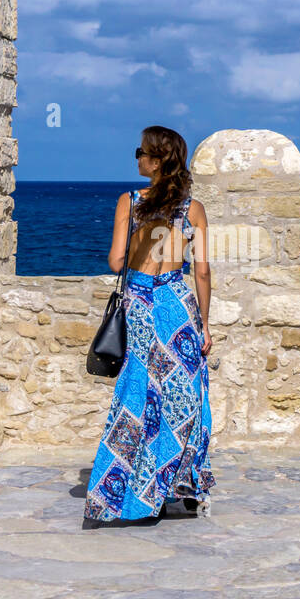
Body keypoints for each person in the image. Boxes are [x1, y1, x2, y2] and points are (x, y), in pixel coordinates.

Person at [83, 126, 216, 525]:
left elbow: (115, 263)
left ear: (156, 161)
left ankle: (124, 494)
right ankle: (179, 486)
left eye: (140, 151)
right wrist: (205, 325)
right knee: (185, 395)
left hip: (140, 303)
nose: (136, 158)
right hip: (177, 305)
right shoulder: (193, 209)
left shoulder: (130, 201)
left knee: (137, 395)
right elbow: (204, 271)